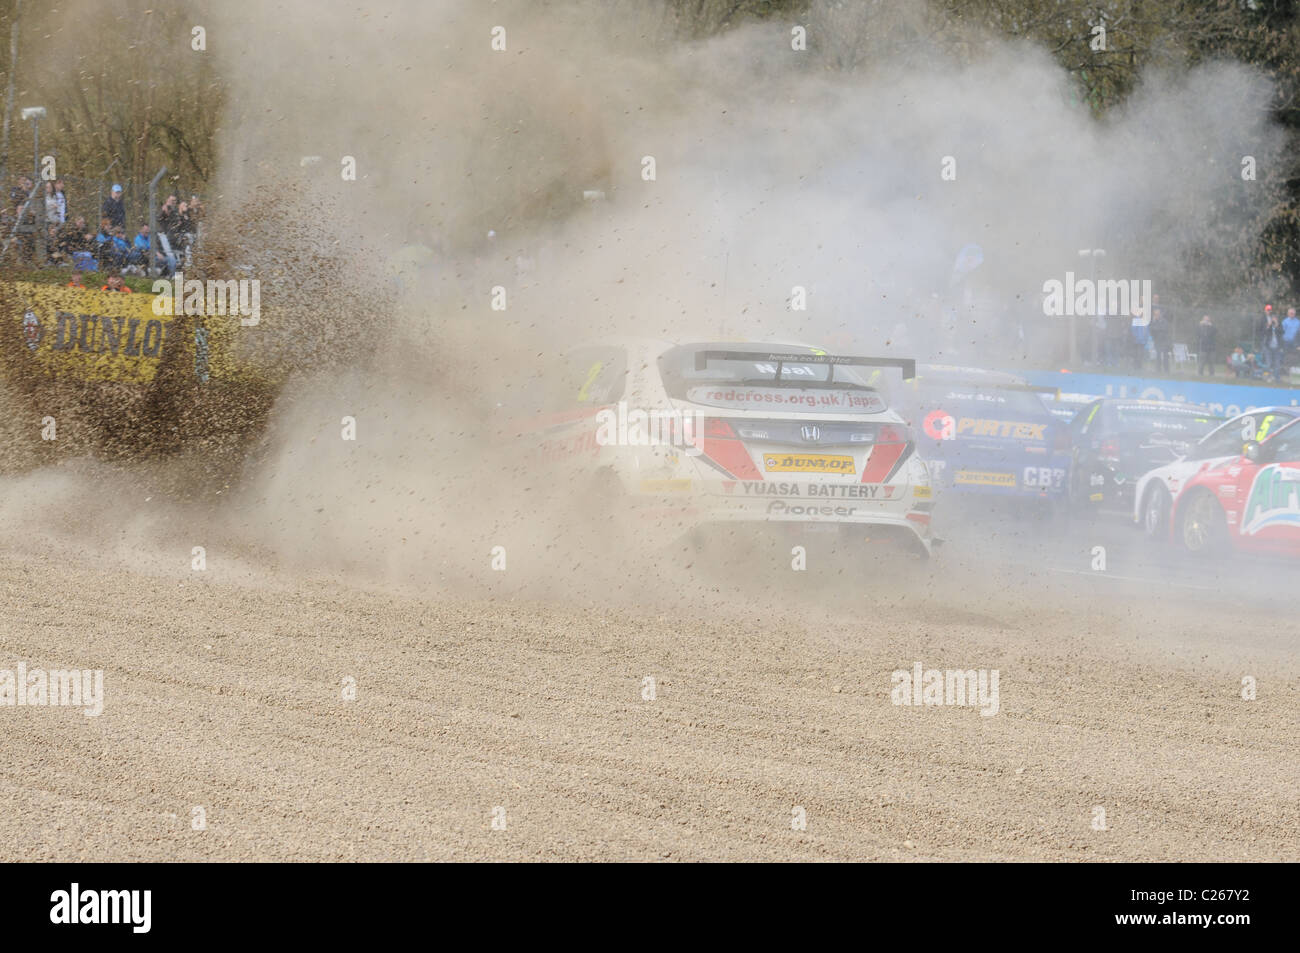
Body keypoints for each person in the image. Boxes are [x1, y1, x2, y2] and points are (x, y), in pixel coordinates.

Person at [1261, 309, 1285, 381]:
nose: (1274, 320)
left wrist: (1277, 324)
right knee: (1268, 363)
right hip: (1268, 347)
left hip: (1277, 348)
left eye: (1275, 318)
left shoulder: (1279, 325)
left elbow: (1282, 332)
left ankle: (1277, 378)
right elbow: (1264, 332)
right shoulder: (1269, 325)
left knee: (1277, 364)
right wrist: (1269, 324)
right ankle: (1268, 377)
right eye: (1273, 318)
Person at [1149, 307, 1171, 373]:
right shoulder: (1154, 322)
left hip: (1164, 341)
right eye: (1155, 314)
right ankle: (1158, 369)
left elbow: (1164, 330)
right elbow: (1151, 330)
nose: (1156, 316)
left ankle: (1166, 370)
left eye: (1157, 314)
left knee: (1165, 356)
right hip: (1157, 341)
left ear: (1160, 314)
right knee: (1158, 355)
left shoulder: (1164, 322)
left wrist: (1156, 329)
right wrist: (1153, 323)